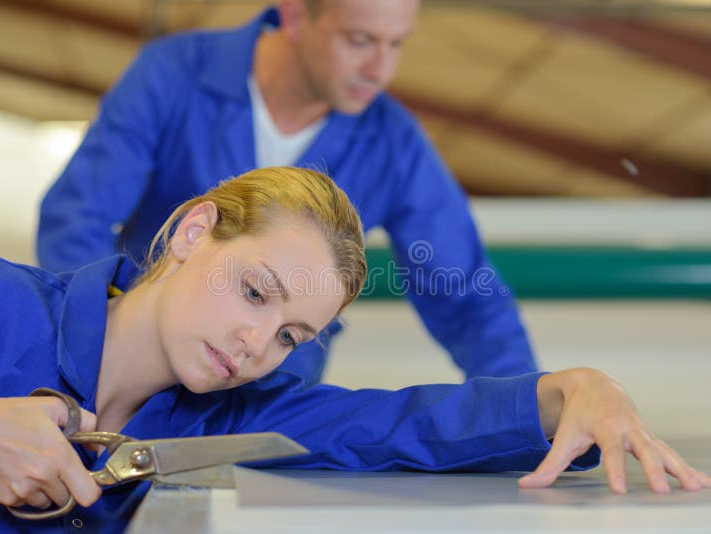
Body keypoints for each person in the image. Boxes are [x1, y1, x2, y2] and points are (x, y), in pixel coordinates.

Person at [0, 168, 711, 533]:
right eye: (256, 292)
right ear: (194, 233)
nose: (257, 346)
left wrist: (568, 392)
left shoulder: (245, 421)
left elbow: (400, 427)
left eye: (294, 336)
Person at [37, 0, 538, 386]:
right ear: (296, 15)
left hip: (269, 396)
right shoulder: (173, 75)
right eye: (361, 40)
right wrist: (99, 350)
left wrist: (532, 409)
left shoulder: (395, 145)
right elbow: (76, 218)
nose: (381, 70)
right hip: (138, 370)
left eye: (397, 43)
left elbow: (467, 294)